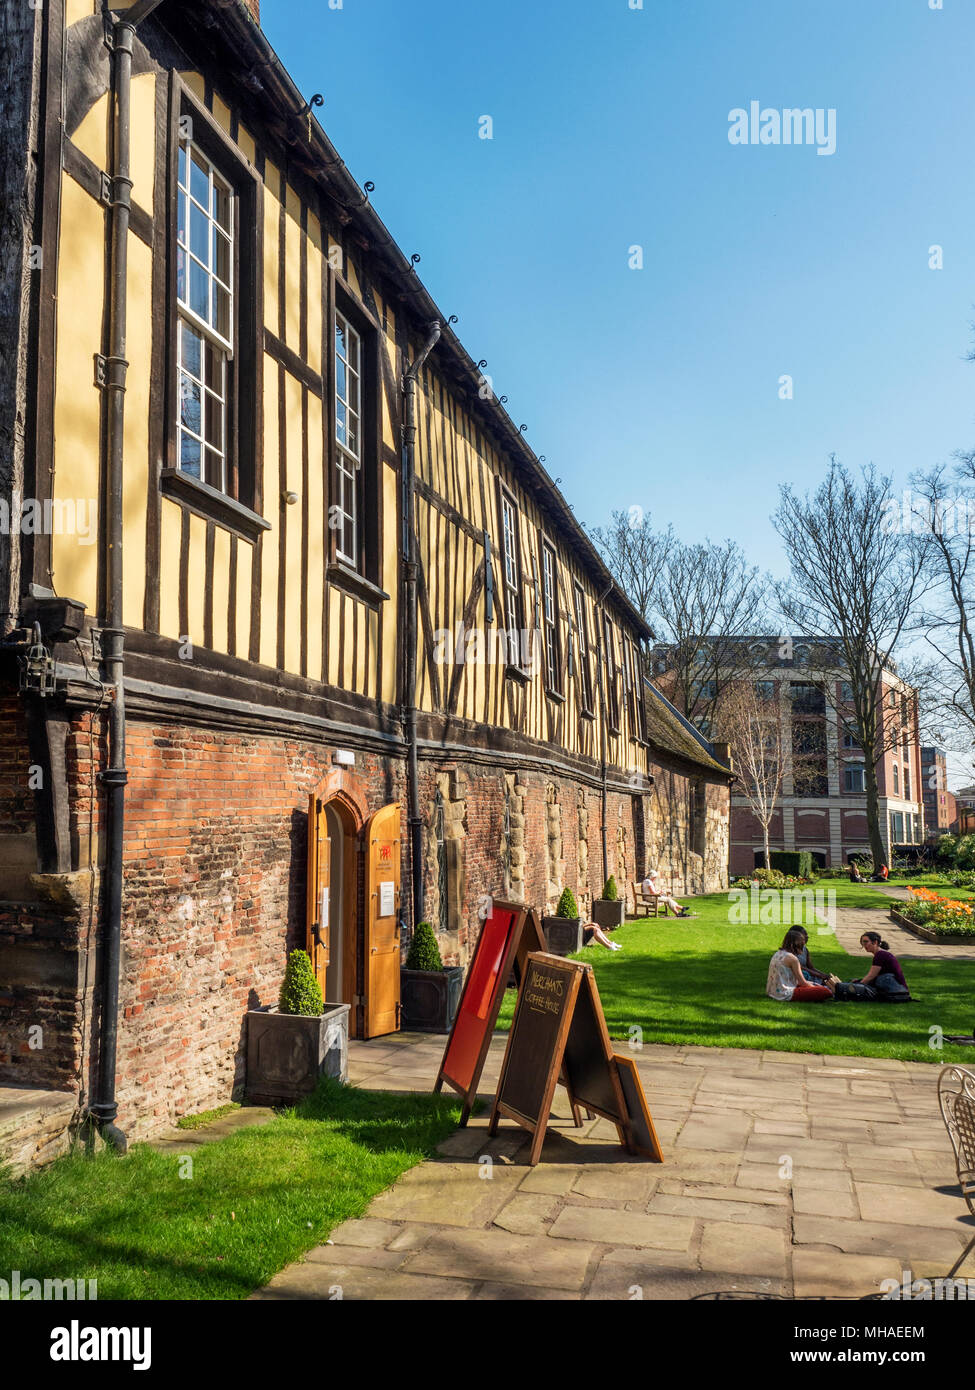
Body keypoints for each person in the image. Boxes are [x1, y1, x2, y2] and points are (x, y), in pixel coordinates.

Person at [831, 931, 912, 1002]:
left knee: (853, 988)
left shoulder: (881, 955)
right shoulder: (882, 954)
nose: (864, 945)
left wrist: (857, 985)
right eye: (862, 942)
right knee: (854, 983)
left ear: (875, 942)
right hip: (897, 990)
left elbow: (871, 976)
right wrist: (858, 981)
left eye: (866, 942)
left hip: (896, 992)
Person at [766, 929, 834, 1002]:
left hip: (772, 992)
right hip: (785, 993)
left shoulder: (778, 953)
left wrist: (815, 985)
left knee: (816, 985)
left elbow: (797, 981)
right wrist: (815, 988)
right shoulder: (793, 959)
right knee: (825, 991)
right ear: (797, 945)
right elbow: (802, 983)